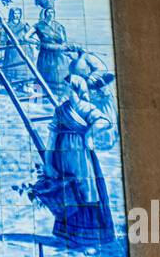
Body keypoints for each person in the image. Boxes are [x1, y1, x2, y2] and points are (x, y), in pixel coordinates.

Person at [42, 73, 117, 247]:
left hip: (83, 158)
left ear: (76, 88)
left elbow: (105, 121)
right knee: (67, 191)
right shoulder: (61, 110)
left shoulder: (86, 107)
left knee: (86, 190)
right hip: (63, 157)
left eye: (68, 86)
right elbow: (52, 138)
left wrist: (90, 134)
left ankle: (88, 237)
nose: (65, 90)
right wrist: (48, 162)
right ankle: (68, 235)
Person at [31, 0, 73, 95]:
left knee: (60, 75)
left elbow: (64, 42)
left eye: (52, 12)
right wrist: (37, 42)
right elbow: (26, 37)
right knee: (42, 75)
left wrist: (67, 50)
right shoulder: (39, 25)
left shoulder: (59, 27)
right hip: (45, 55)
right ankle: (37, 98)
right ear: (44, 14)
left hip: (59, 56)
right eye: (48, 12)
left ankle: (60, 97)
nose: (50, 14)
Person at [1, 6, 35, 89]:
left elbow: (30, 35)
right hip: (12, 50)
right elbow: (3, 38)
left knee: (24, 66)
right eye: (15, 13)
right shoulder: (7, 25)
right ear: (11, 14)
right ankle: (14, 85)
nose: (17, 15)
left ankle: (24, 84)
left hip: (24, 47)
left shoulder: (24, 25)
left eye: (18, 13)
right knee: (12, 67)